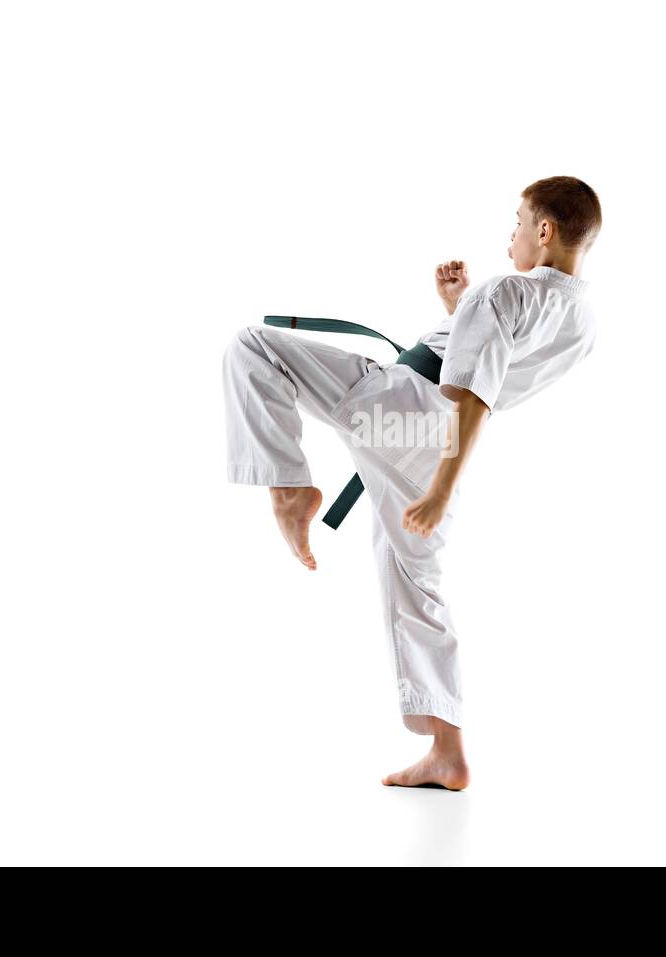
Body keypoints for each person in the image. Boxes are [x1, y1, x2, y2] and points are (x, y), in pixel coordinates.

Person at [222, 175, 602, 790]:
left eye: (517, 223)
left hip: (406, 410)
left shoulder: (503, 290)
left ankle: (287, 488)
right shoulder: (582, 322)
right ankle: (447, 750)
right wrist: (458, 309)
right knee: (414, 582)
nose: (510, 236)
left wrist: (442, 491)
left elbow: (472, 392)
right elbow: (497, 365)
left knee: (253, 347)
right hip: (433, 447)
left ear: (545, 230)